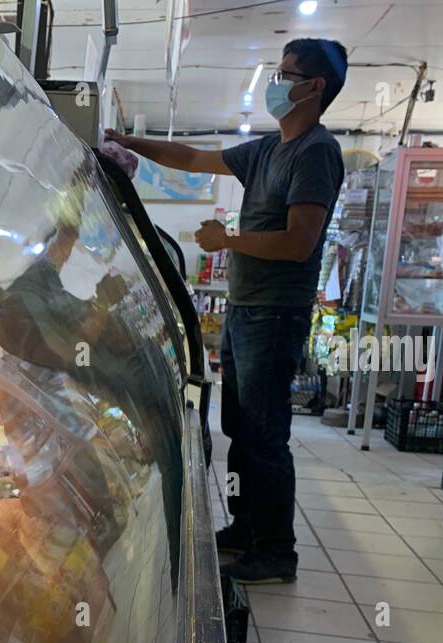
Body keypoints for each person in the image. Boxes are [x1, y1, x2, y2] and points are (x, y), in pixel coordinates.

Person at [106, 38, 348, 584]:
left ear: (315, 87)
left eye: (287, 74)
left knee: (265, 433)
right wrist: (123, 143)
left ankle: (276, 550)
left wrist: (227, 240)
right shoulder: (267, 148)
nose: (276, 82)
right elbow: (191, 159)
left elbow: (299, 242)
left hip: (275, 313)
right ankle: (244, 527)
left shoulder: (316, 152)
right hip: (246, 308)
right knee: (241, 426)